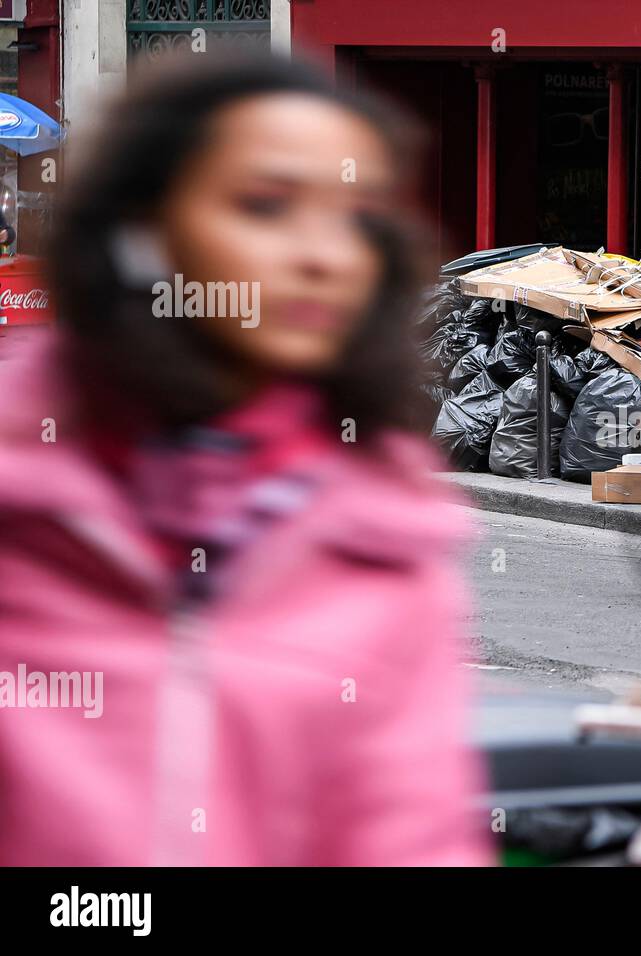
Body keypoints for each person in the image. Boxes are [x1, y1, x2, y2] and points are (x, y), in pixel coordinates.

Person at [0, 54, 490, 865]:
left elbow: (409, 836)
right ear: (140, 227)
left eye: (358, 215)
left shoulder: (390, 540)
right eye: (267, 205)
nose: (324, 256)